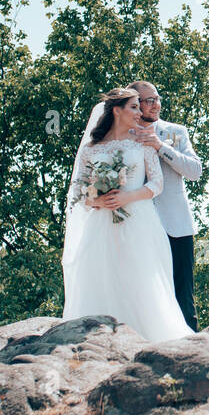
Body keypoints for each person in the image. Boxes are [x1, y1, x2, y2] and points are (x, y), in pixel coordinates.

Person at [60, 88, 193, 342]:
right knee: (103, 275)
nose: (140, 111)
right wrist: (98, 200)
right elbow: (78, 189)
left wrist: (126, 198)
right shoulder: (91, 148)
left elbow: (157, 184)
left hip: (139, 221)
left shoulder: (142, 142)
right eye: (133, 107)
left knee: (140, 279)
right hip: (101, 224)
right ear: (116, 110)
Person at [125, 80, 202, 332]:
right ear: (135, 104)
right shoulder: (123, 134)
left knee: (183, 299)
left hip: (176, 226)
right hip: (138, 227)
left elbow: (195, 171)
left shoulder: (176, 132)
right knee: (145, 295)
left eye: (157, 98)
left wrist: (160, 147)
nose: (155, 104)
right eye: (148, 101)